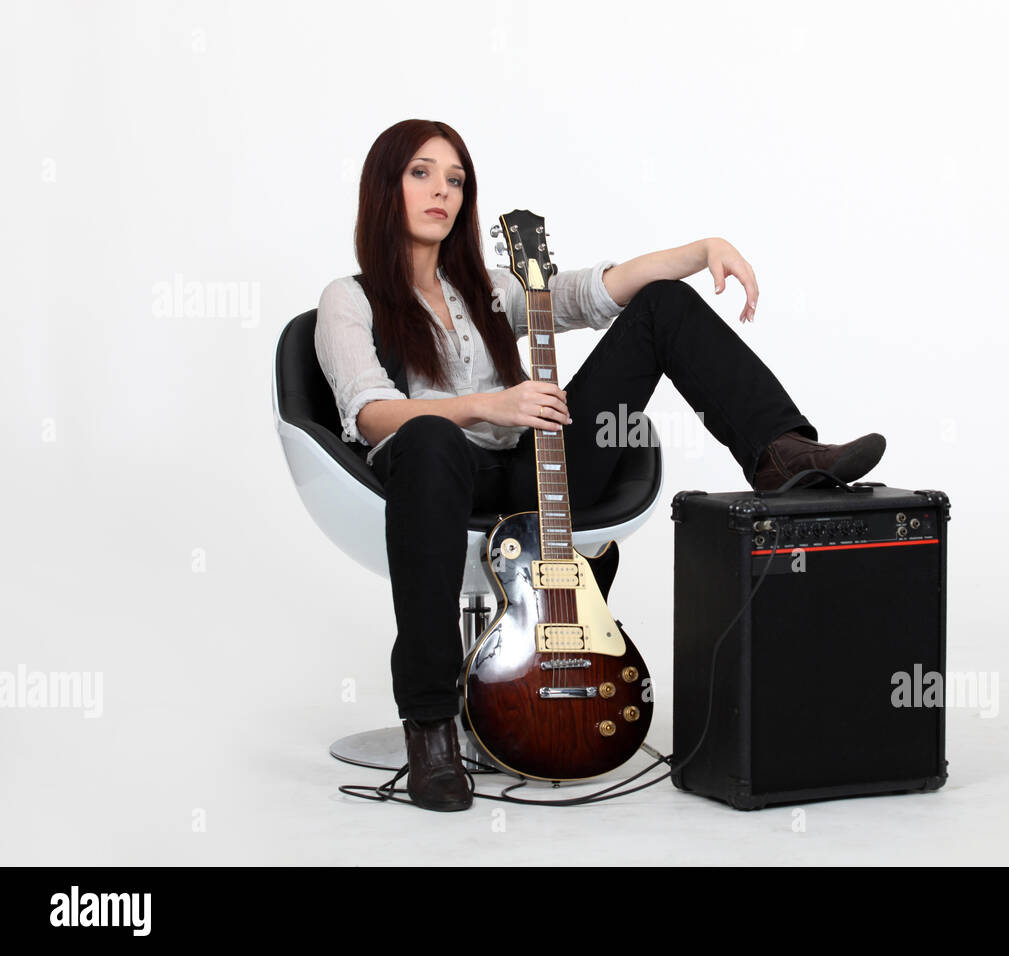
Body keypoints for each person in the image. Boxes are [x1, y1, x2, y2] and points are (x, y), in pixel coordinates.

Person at [314, 119, 886, 812]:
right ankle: (431, 726)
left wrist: (700, 249)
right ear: (384, 187)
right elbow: (370, 414)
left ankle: (779, 453)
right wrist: (489, 403)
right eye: (421, 173)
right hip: (430, 477)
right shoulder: (349, 298)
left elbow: (592, 292)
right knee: (432, 436)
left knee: (663, 304)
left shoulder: (488, 288)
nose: (442, 191)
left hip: (528, 473)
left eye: (456, 179)